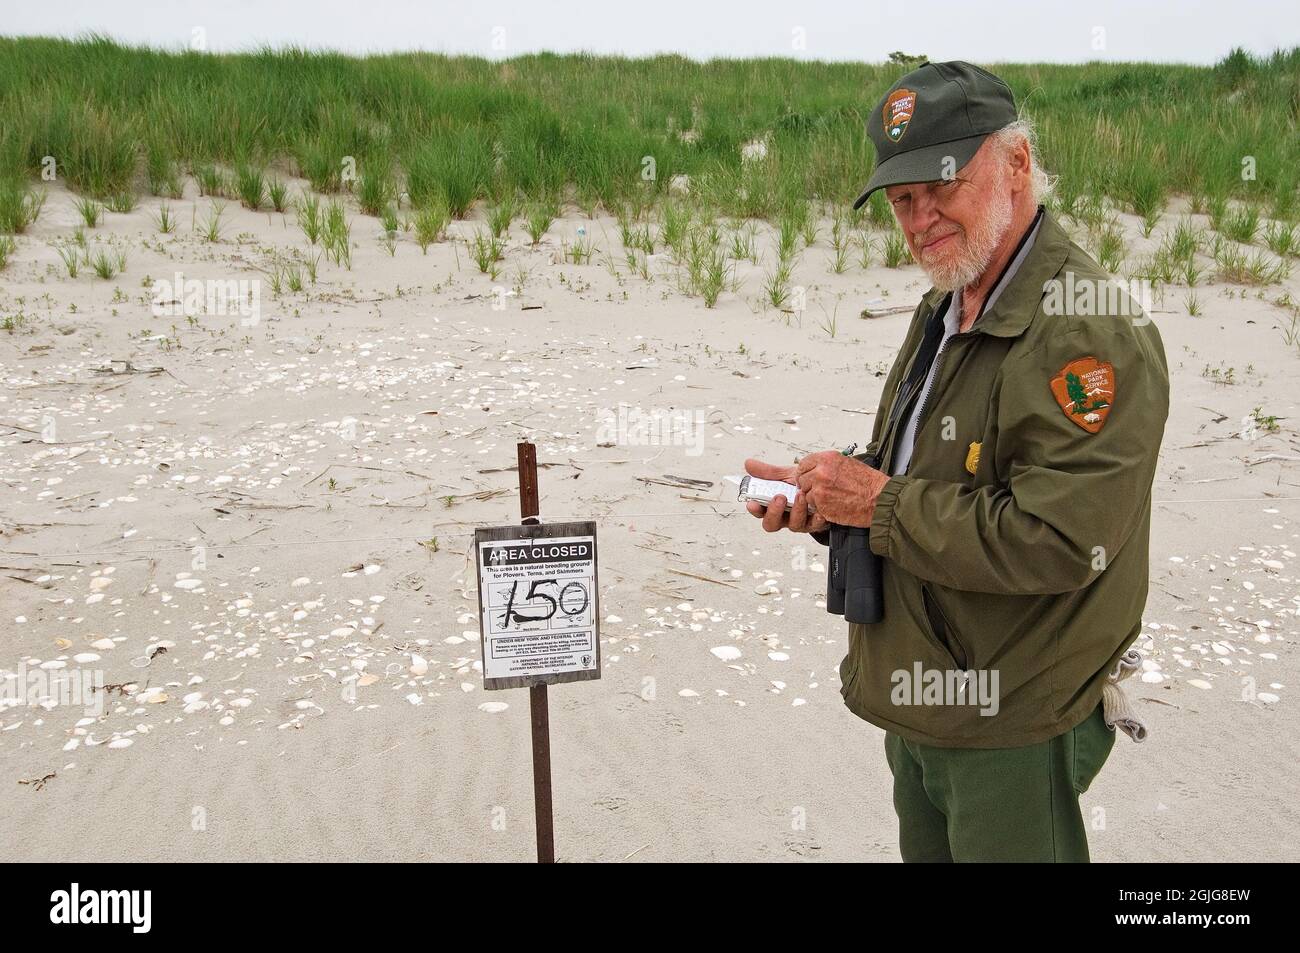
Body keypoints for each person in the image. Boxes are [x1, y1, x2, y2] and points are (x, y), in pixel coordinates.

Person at [744, 60, 1170, 862]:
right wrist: (828, 498)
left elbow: (1062, 538)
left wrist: (876, 503)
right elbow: (922, 471)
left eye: (942, 182)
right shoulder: (951, 300)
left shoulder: (1088, 326)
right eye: (902, 198)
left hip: (1010, 718)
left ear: (1016, 163)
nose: (920, 216)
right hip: (923, 698)